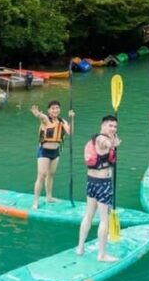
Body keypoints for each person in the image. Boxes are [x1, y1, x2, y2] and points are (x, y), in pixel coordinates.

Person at [76, 115, 121, 262]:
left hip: (91, 182)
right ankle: (101, 255)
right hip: (103, 184)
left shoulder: (95, 138)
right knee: (104, 220)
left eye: (115, 126)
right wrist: (113, 144)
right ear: (102, 125)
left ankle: (80, 247)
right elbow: (105, 144)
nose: (113, 129)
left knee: (88, 215)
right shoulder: (102, 139)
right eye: (110, 126)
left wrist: (113, 142)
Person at [30, 101, 74, 209]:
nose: (55, 110)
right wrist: (38, 114)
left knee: (51, 175)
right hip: (44, 151)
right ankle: (35, 201)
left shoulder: (62, 121)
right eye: (53, 108)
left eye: (57, 108)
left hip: (56, 151)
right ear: (49, 110)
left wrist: (72, 119)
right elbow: (41, 116)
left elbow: (71, 132)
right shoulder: (46, 119)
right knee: (41, 175)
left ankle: (49, 197)